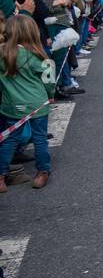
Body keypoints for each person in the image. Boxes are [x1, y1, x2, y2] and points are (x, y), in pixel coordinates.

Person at [0, 15, 56, 191]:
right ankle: (42, 173)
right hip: (37, 104)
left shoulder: (2, 53)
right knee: (40, 138)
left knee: (9, 140)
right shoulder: (37, 56)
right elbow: (49, 81)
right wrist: (51, 94)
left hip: (11, 105)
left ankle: (1, 176)